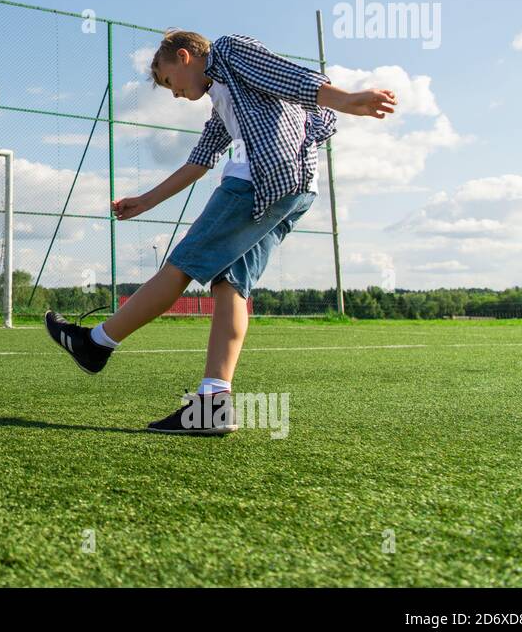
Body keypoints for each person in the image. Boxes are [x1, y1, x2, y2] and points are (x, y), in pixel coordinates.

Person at [45, 31, 396, 434]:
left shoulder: (230, 51)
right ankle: (213, 403)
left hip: (259, 181)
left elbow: (288, 76)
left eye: (167, 81)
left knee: (182, 263)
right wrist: (146, 200)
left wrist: (347, 100)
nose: (173, 93)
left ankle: (96, 344)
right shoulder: (222, 99)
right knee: (231, 284)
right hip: (295, 192)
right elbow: (200, 160)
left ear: (184, 57)